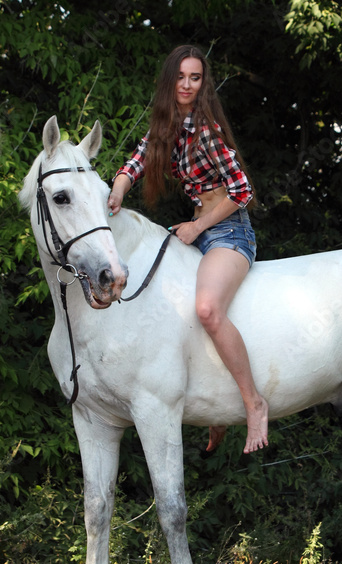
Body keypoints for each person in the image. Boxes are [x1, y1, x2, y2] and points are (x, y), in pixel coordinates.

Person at [107, 45, 269, 454]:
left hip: (229, 233)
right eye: (181, 77)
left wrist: (198, 225)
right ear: (170, 81)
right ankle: (217, 410)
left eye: (195, 78)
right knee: (172, 313)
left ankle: (254, 404)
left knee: (207, 311)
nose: (187, 85)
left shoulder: (207, 130)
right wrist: (119, 188)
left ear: (203, 83)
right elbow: (139, 159)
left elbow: (242, 191)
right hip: (199, 231)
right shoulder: (169, 125)